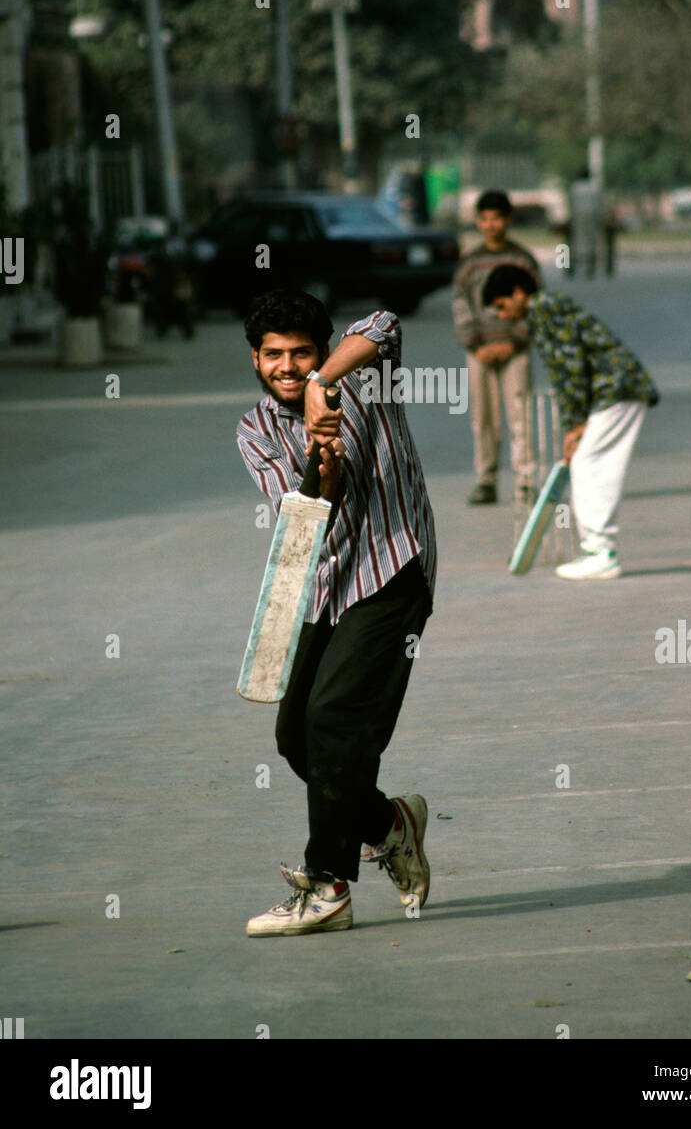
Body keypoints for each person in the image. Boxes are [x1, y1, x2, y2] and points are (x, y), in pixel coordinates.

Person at [236, 291, 436, 935]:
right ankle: (388, 825)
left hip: (392, 567)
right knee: (296, 738)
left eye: (302, 353)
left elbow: (384, 321)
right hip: (324, 584)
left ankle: (326, 886)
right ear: (255, 359)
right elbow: (307, 510)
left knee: (334, 717)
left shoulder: (363, 381)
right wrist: (321, 462)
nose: (288, 366)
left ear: (321, 351)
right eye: (274, 355)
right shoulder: (256, 429)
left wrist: (328, 385)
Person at [482, 265, 659, 580]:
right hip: (613, 390)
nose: (503, 315)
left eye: (502, 305)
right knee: (587, 462)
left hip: (616, 388)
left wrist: (575, 424)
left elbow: (570, 367)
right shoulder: (545, 310)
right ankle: (597, 549)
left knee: (590, 463)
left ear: (518, 293)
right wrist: (575, 423)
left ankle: (600, 552)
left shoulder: (547, 309)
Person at [452, 190, 541, 505]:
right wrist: (475, 344)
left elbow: (534, 304)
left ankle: (527, 481)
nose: (491, 225)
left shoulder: (522, 260)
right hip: (479, 351)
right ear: (478, 222)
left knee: (521, 414)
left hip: (515, 350)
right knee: (484, 418)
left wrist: (514, 340)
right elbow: (461, 305)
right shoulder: (470, 263)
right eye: (485, 219)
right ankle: (486, 480)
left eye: (497, 218)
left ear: (509, 220)